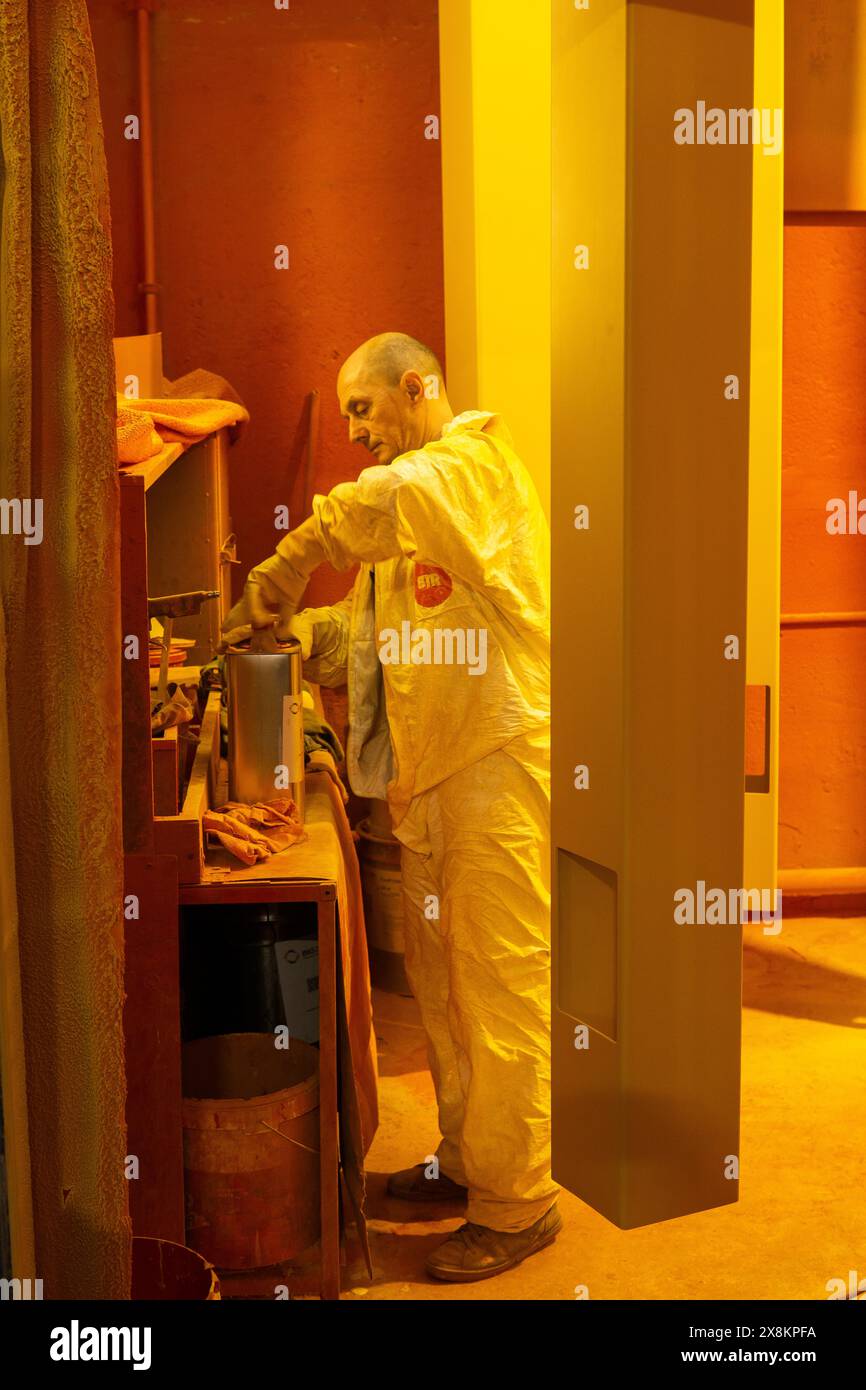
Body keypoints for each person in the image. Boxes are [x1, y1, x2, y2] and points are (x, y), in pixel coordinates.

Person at [222, 333, 559, 1281]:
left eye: (365, 412)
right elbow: (371, 642)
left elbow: (370, 508)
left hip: (493, 774)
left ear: (418, 388)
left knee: (501, 993)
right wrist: (289, 628)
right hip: (431, 786)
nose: (358, 435)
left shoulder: (470, 472)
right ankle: (469, 1166)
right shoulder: (418, 518)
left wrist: (289, 561)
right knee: (448, 997)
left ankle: (520, 1201)